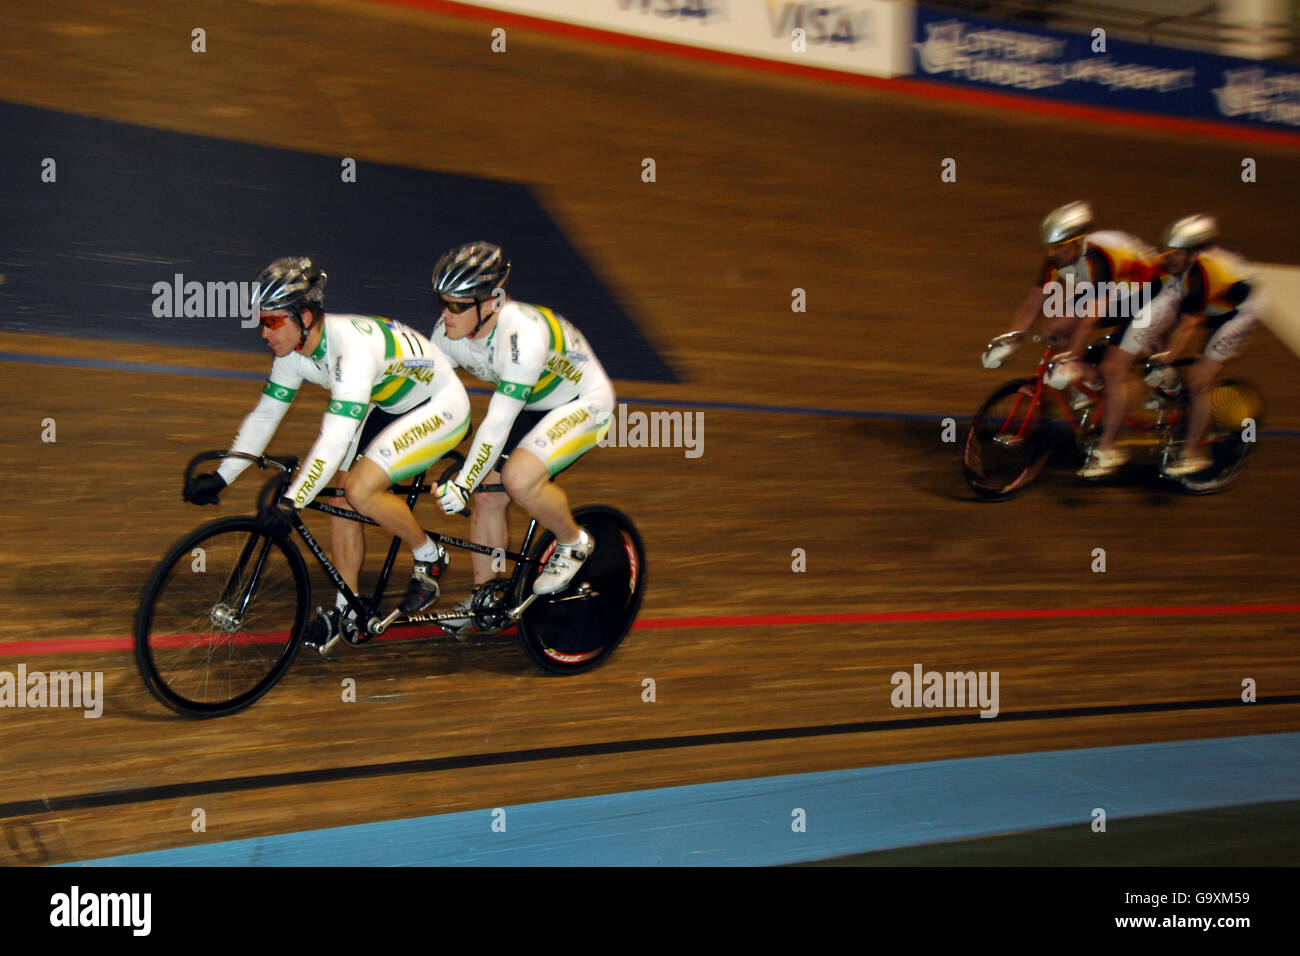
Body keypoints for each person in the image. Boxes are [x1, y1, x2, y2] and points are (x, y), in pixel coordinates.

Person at [182, 257, 471, 645]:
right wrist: (223, 475)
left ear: (303, 316)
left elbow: (334, 438)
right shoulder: (294, 352)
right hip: (388, 402)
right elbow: (266, 415)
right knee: (340, 496)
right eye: (259, 321)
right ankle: (346, 606)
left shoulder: (350, 352)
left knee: (360, 489)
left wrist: (293, 501)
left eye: (272, 321)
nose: (263, 332)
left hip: (440, 405)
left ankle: (429, 556)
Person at [425, 242, 615, 637]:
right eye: (443, 302)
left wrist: (463, 480)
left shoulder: (523, 335)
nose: (446, 314)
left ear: (491, 302)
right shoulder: (449, 335)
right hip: (531, 402)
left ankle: (574, 541)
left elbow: (497, 423)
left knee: (518, 478)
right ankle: (487, 596)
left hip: (581, 402)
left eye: (458, 305)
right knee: (488, 495)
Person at [1100, 215, 1262, 477]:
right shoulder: (1174, 267)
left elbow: (1188, 326)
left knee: (1199, 381)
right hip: (1211, 302)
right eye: (1168, 250)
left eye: (1177, 253)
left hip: (1238, 314)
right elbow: (1145, 302)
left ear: (1194, 253)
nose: (1169, 257)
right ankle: (1171, 384)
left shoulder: (1203, 274)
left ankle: (1194, 454)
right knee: (1157, 318)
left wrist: (1164, 359)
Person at [982, 201, 1158, 414]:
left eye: (1058, 247)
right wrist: (1010, 341)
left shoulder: (1099, 259)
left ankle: (1095, 381)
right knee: (1054, 329)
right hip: (1110, 288)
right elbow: (1032, 305)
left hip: (1143, 293)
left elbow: (1090, 320)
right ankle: (1085, 383)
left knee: (1108, 366)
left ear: (1078, 242)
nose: (1051, 254)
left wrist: (1071, 360)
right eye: (1049, 247)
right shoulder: (1057, 260)